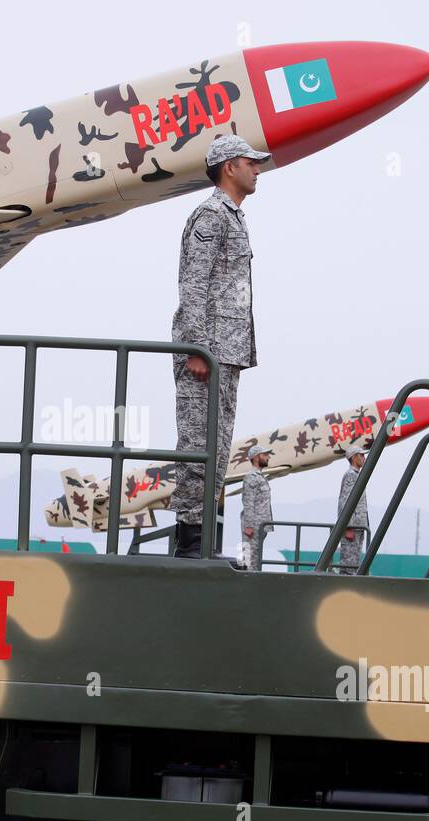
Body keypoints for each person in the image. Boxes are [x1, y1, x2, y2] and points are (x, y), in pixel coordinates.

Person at [169, 134, 271, 558]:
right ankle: (190, 542)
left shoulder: (233, 216)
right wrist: (196, 348)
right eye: (251, 162)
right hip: (207, 354)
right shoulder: (211, 215)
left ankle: (204, 539)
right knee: (197, 446)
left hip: (225, 353)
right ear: (229, 167)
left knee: (215, 447)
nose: (257, 168)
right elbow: (194, 284)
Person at [337, 442, 370, 573]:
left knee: (354, 561)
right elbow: (345, 502)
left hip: (359, 525)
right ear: (354, 457)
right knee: (349, 563)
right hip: (353, 527)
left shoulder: (356, 475)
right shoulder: (350, 475)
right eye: (361, 455)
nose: (364, 458)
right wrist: (347, 527)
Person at [240, 444, 274, 570]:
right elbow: (248, 501)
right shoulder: (251, 477)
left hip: (260, 526)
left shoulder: (259, 477)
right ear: (256, 457)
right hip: (253, 527)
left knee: (255, 560)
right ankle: (246, 586)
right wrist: (249, 526)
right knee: (249, 561)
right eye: (265, 455)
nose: (268, 457)